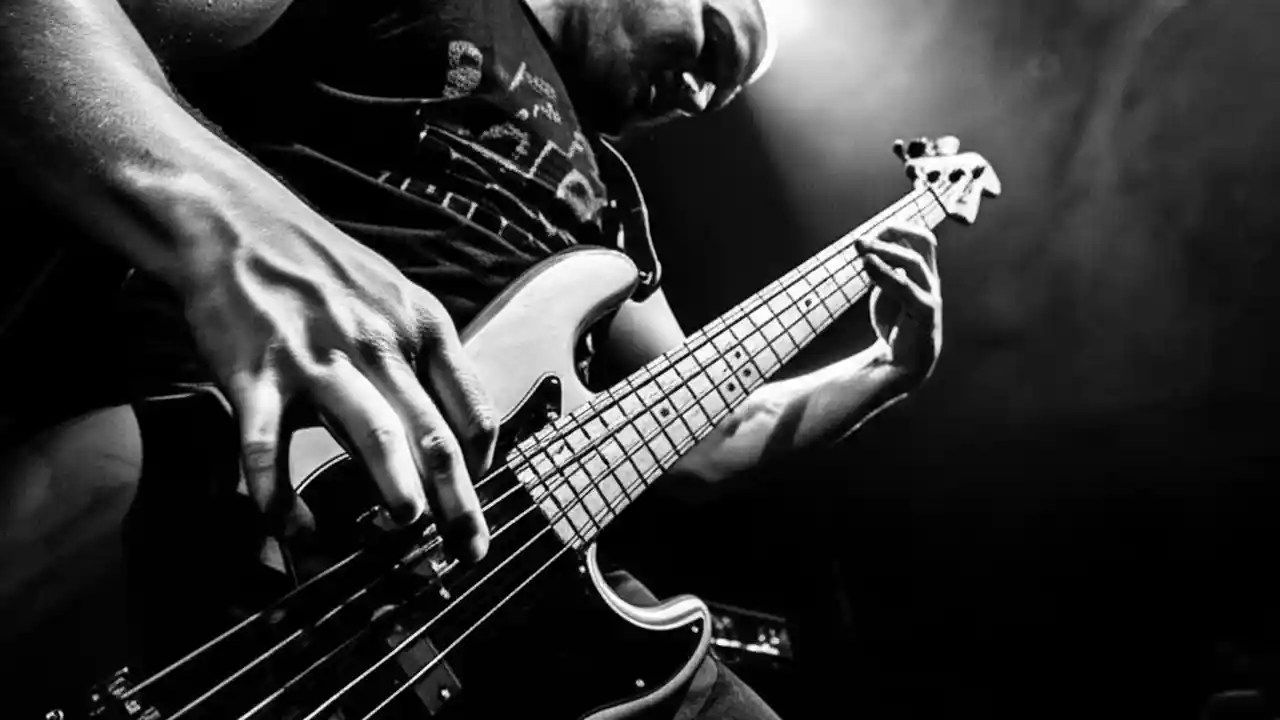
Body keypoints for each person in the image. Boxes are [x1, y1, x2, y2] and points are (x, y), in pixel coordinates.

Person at [0, 0, 944, 717]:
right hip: (240, 499)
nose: (701, 95)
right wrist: (232, 221)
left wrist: (882, 369)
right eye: (711, 45)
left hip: (490, 585)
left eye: (724, 94)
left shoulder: (614, 203)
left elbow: (704, 435)